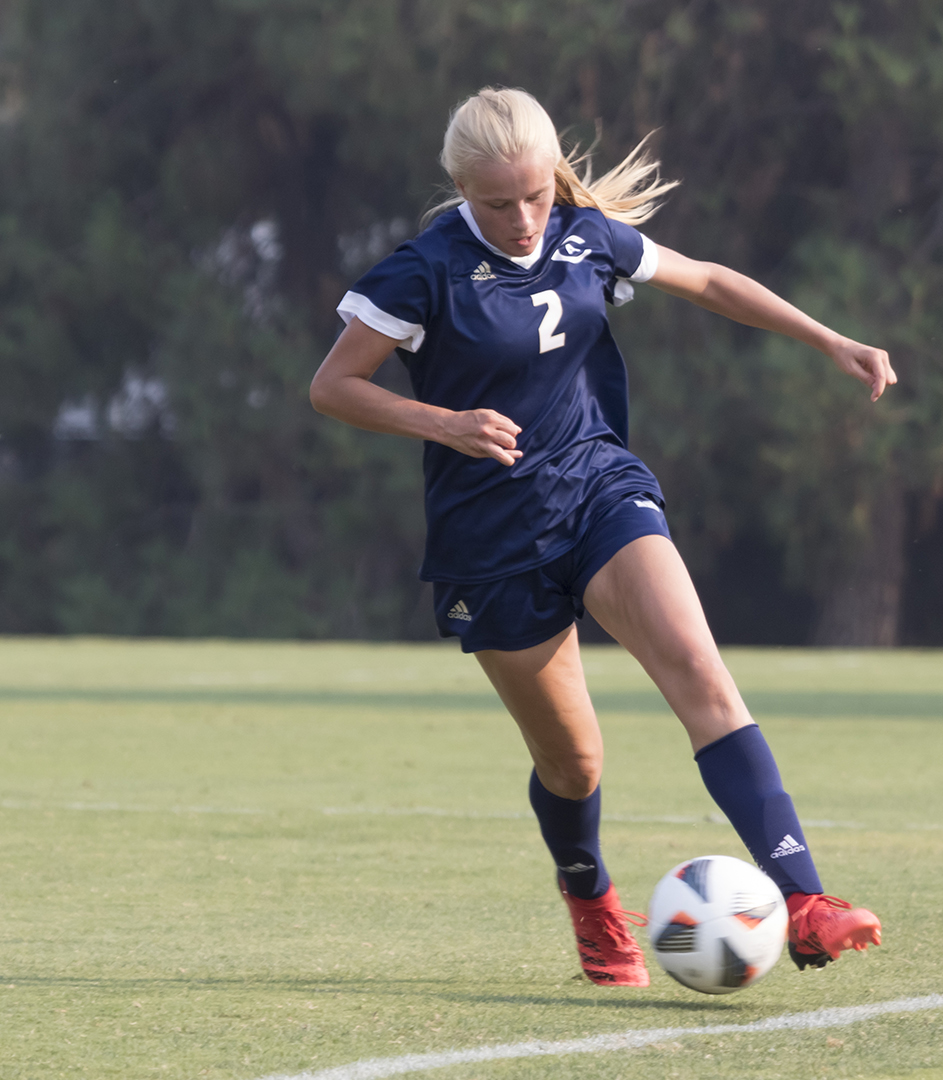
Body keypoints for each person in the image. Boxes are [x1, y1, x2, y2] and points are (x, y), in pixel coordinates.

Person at [309, 87, 896, 987]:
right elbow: (333, 387)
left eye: (537, 194)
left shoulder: (586, 236)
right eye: (499, 203)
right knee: (574, 764)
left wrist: (830, 340)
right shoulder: (421, 271)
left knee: (701, 675)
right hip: (492, 543)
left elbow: (705, 278)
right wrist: (446, 424)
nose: (523, 218)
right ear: (462, 188)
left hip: (597, 489)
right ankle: (588, 892)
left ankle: (806, 898)